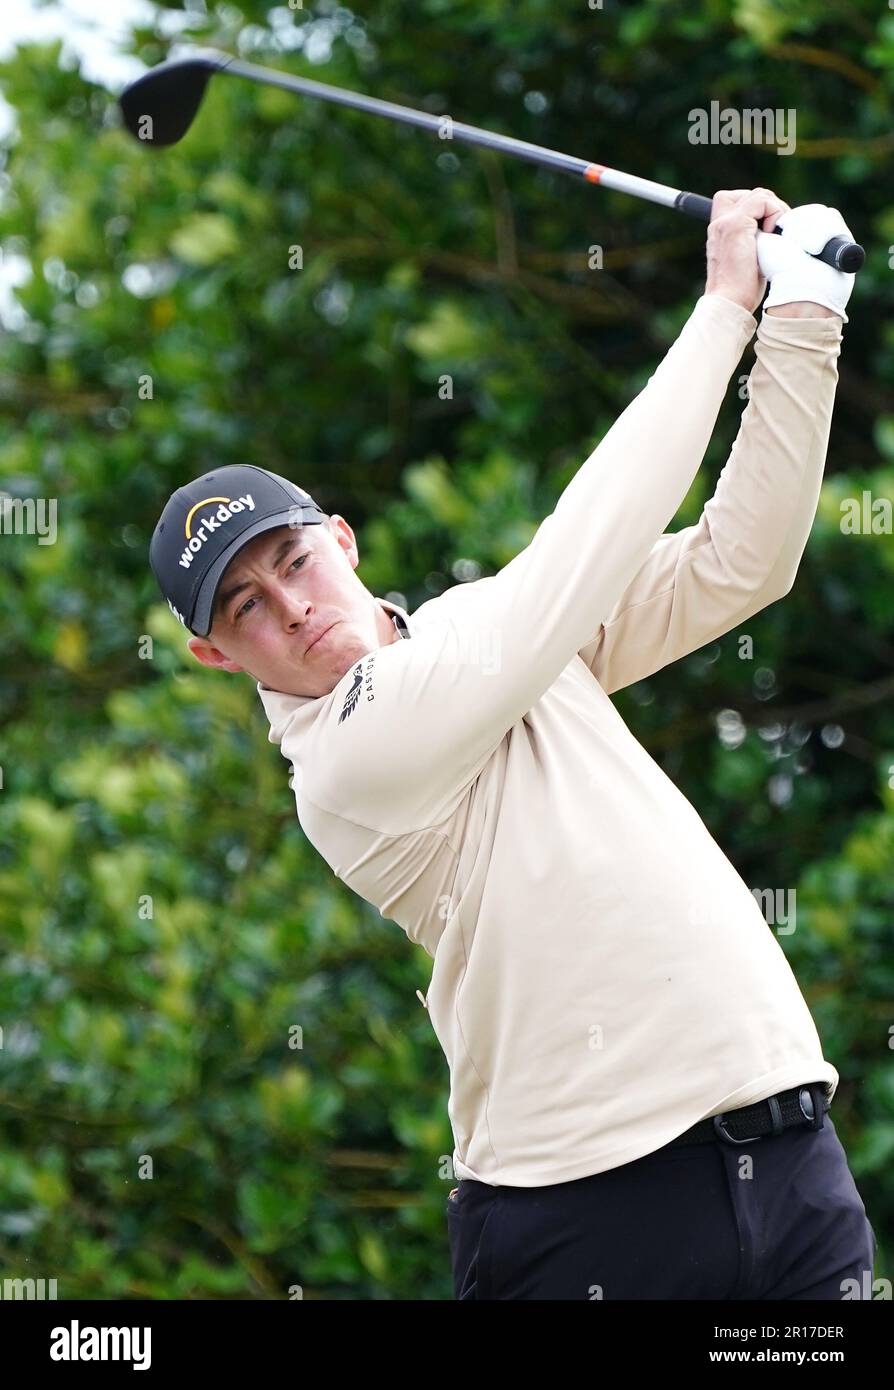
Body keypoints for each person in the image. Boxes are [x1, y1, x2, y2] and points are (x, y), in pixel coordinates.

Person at [149, 189, 876, 1299]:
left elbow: (744, 561)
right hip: (591, 1222)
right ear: (217, 658)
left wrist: (805, 320)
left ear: (340, 541)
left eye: (292, 562)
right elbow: (568, 569)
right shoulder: (347, 762)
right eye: (243, 607)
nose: (288, 607)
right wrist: (727, 305)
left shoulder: (492, 635)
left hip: (788, 1168)